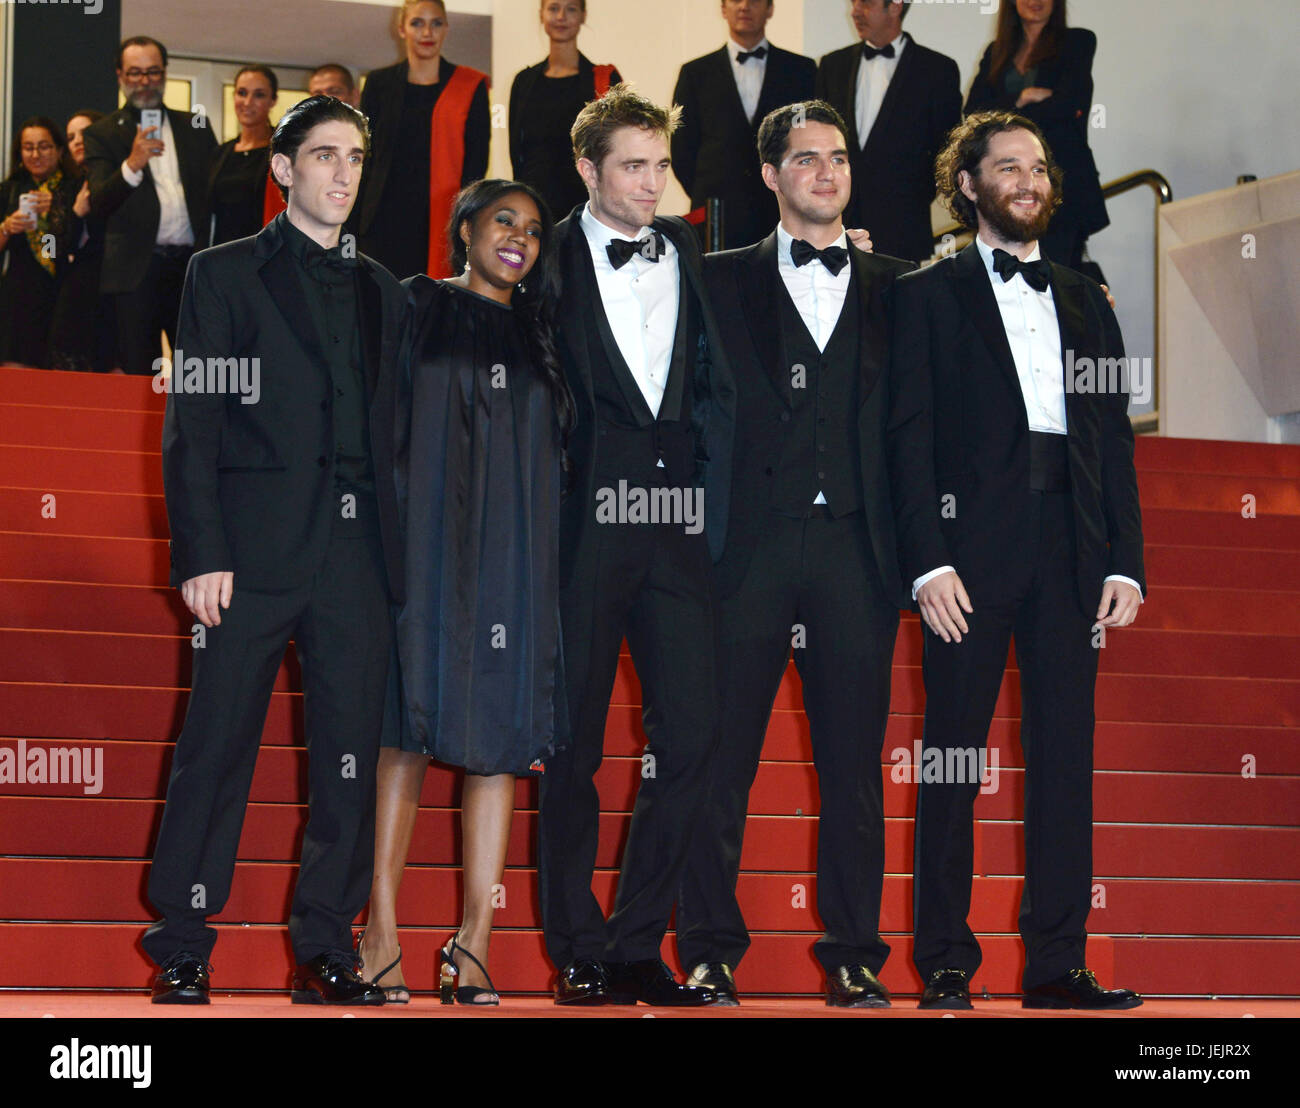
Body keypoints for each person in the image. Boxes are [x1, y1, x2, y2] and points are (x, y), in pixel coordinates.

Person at [143, 95, 406, 1006]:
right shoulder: (222, 275)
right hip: (248, 558)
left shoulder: (384, 291)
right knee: (215, 748)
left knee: (347, 759)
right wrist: (199, 550)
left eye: (356, 157)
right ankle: (183, 938)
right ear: (284, 169)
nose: (343, 172)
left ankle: (325, 947)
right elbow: (194, 423)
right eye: (325, 155)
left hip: (357, 561)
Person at [887, 111, 1145, 1010]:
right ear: (968, 187)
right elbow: (907, 442)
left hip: (1071, 551)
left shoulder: (1085, 296)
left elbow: (1112, 438)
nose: (1029, 181)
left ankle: (1055, 965)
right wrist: (926, 562)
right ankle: (947, 963)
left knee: (1064, 761)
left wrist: (1125, 561)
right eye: (1008, 168)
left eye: (1038, 168)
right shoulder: (924, 294)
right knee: (953, 760)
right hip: (967, 556)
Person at [674, 99, 912, 1007]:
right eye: (805, 158)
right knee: (719, 757)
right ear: (770, 176)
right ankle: (707, 949)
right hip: (746, 551)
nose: (825, 171)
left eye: (837, 157)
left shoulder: (903, 284)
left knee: (855, 768)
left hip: (859, 548)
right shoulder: (718, 278)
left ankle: (855, 953)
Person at [537, 85, 735, 1007]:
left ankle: (632, 945)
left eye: (660, 165)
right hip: (583, 517)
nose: (654, 183)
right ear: (588, 170)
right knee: (572, 743)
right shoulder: (547, 258)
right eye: (633, 166)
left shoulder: (688, 249)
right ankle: (575, 943)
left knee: (692, 736)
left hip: (678, 521)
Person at [357, 179, 575, 1007]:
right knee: (405, 730)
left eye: (531, 229)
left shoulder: (542, 331)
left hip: (516, 556)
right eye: (503, 222)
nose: (518, 238)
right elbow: (383, 423)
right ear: (465, 230)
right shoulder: (417, 303)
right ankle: (379, 925)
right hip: (426, 546)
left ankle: (474, 941)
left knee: (503, 739)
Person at [81, 36, 216, 376]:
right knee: (140, 376)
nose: (144, 81)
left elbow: (216, 194)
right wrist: (133, 163)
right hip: (135, 271)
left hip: (191, 268)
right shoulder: (103, 133)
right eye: (135, 73)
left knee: (198, 374)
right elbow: (98, 203)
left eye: (153, 72)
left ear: (165, 73)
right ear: (120, 75)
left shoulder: (195, 126)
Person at [965, 0, 1107, 271]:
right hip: (1007, 190)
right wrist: (1022, 98)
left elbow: (1069, 105)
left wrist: (1003, 114)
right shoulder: (996, 52)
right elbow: (973, 114)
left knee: (1058, 280)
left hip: (1062, 187)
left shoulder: (1078, 42)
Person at [815, 0, 960, 263]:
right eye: (854, 3)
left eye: (866, 3)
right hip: (837, 229)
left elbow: (947, 151)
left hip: (904, 229)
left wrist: (913, 197)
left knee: (904, 303)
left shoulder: (938, 70)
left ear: (895, 7)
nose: (855, 11)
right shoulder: (832, 66)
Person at [356, 0, 490, 280]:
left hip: (443, 221)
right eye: (417, 23)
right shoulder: (379, 83)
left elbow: (476, 165)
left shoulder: (470, 85)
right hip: (382, 219)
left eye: (436, 23)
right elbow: (365, 158)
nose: (427, 32)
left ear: (446, 29)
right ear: (402, 28)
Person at [672, 0, 815, 250]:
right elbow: (682, 149)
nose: (745, 6)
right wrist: (709, 194)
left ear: (770, 9)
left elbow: (806, 140)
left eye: (755, 1)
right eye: (736, 0)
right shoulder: (695, 74)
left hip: (781, 212)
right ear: (723, 8)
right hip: (716, 218)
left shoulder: (801, 71)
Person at [509, 1, 622, 222]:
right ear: (541, 14)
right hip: (535, 208)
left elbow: (615, 149)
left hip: (588, 209)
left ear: (583, 16)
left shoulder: (604, 80)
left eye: (571, 9)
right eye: (553, 8)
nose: (561, 16)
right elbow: (517, 153)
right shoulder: (524, 82)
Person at [0, 117, 81, 368]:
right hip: (18, 298)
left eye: (44, 146)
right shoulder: (9, 190)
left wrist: (58, 210)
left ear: (58, 150)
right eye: (28, 147)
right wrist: (6, 228)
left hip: (64, 297)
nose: (36, 154)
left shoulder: (74, 189)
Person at [49, 109, 115, 373]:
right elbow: (52, 248)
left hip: (117, 293)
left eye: (84, 133)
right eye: (70, 136)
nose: (77, 141)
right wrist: (76, 214)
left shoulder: (121, 181)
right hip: (76, 295)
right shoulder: (64, 189)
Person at [208, 64, 278, 246]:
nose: (247, 102)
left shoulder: (283, 152)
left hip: (265, 255)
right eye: (242, 93)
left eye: (259, 95)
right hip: (222, 255)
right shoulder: (220, 154)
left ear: (273, 101)